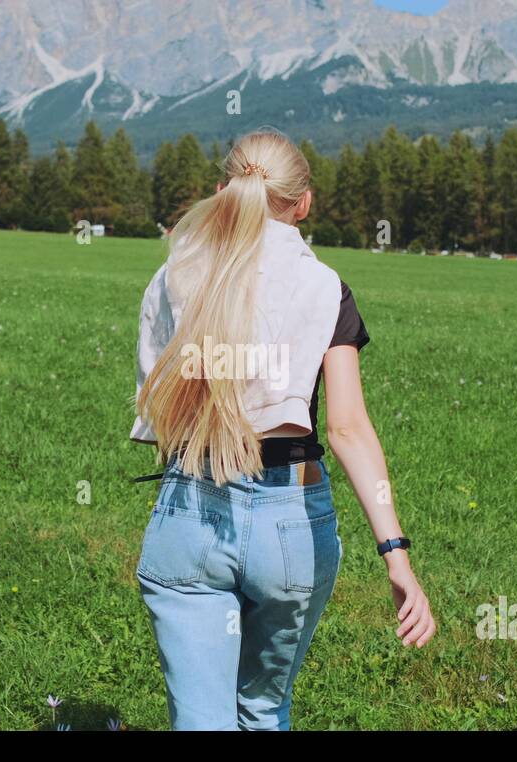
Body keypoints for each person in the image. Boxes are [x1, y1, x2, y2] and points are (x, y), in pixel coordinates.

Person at [128, 126, 435, 730]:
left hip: (191, 508)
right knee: (263, 712)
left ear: (223, 189)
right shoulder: (326, 289)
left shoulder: (174, 275)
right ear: (304, 203)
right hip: (290, 521)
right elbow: (347, 429)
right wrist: (396, 556)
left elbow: (158, 409)